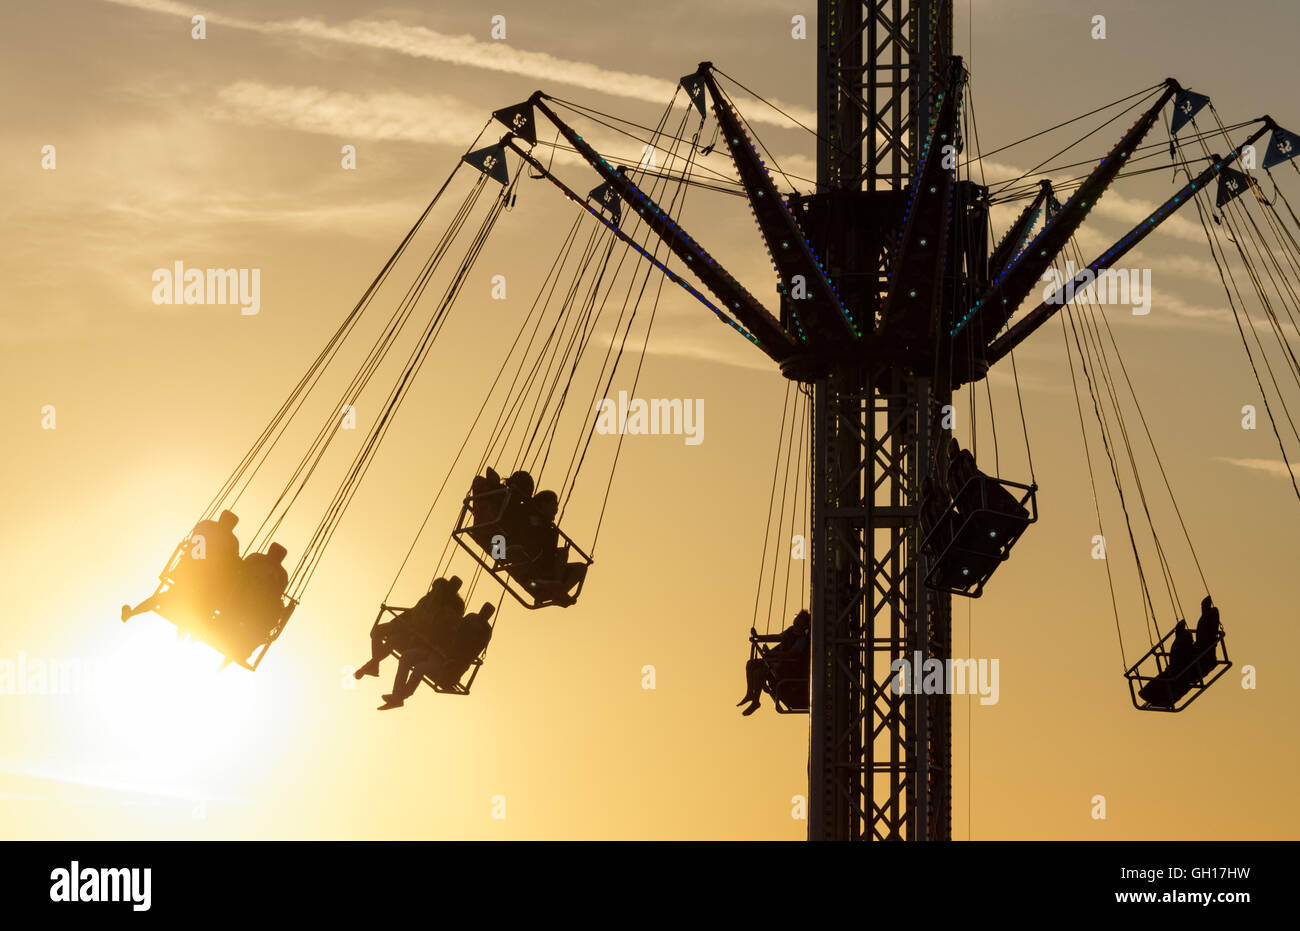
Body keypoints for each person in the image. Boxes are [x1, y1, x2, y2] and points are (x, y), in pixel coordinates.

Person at [121, 509, 242, 628]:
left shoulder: (210, 527)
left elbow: (197, 542)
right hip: (202, 579)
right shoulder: (230, 540)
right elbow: (231, 562)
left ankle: (132, 613)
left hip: (191, 573)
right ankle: (132, 613)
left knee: (165, 600)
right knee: (190, 609)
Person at [380, 603, 495, 709]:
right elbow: (456, 630)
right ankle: (397, 693)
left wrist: (454, 655)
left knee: (420, 668)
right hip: (438, 652)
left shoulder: (484, 631)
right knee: (406, 656)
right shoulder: (471, 617)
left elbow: (472, 651)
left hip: (449, 663)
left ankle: (400, 697)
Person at [355, 576, 462, 680]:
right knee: (376, 631)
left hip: (417, 636)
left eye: (437, 590)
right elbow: (414, 612)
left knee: (393, 640)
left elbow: (432, 625)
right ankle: (374, 665)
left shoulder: (445, 609)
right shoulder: (427, 599)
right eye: (434, 588)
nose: (433, 591)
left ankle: (370, 665)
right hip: (406, 625)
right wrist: (398, 621)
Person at [221, 543, 289, 664]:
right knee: (266, 626)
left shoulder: (255, 558)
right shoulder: (282, 575)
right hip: (256, 610)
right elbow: (277, 595)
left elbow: (238, 570)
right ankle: (243, 650)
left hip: (238, 599)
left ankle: (237, 647)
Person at [738, 610, 811, 716]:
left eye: (801, 619)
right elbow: (777, 637)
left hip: (788, 667)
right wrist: (759, 637)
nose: (797, 621)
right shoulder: (790, 631)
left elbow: (791, 654)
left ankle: (755, 701)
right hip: (778, 662)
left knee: (759, 673)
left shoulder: (801, 640)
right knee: (750, 664)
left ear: (805, 625)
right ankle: (750, 693)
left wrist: (773, 654)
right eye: (797, 617)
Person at [1139, 620, 1197, 709]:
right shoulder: (1181, 644)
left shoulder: (1180, 644)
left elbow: (1181, 659)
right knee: (1166, 681)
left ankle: (1154, 698)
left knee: (1167, 681)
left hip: (1178, 672)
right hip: (1177, 671)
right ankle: (1153, 698)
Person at [1193, 595, 1221, 680]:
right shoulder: (1203, 618)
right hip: (1203, 645)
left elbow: (1212, 629)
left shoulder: (1209, 615)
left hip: (1205, 646)